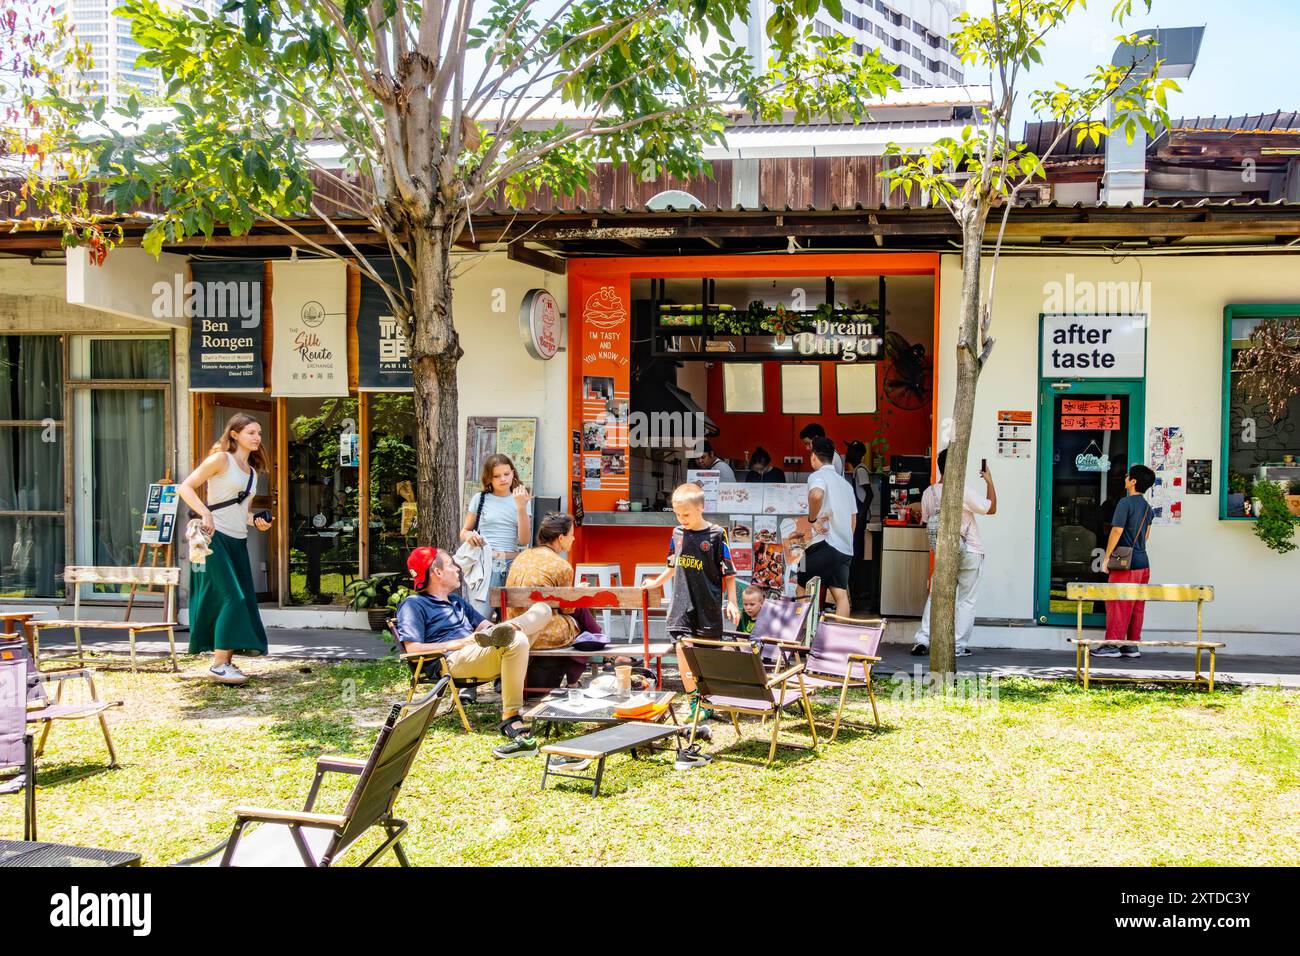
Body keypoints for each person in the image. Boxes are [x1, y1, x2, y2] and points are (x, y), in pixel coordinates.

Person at [395, 546, 552, 759]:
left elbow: (486, 626)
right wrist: (460, 643)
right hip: (451, 661)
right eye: (451, 564)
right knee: (517, 639)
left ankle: (510, 630)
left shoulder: (457, 602)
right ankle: (511, 717)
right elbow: (413, 649)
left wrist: (497, 631)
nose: (457, 568)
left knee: (543, 609)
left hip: (480, 650)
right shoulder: (414, 605)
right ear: (438, 572)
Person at [642, 483, 739, 763]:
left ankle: (706, 699)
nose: (681, 519)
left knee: (705, 656)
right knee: (683, 649)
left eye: (686, 514)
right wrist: (656, 583)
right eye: (677, 514)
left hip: (708, 605)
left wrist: (732, 602)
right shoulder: (677, 534)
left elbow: (728, 573)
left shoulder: (718, 534)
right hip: (681, 605)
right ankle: (694, 699)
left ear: (701, 508)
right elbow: (673, 565)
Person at [178, 413, 272, 685]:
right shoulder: (221, 459)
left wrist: (256, 522)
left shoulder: (252, 473)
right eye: (251, 432)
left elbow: (241, 511)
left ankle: (227, 661)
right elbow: (185, 487)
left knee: (237, 597)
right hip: (214, 538)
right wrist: (204, 513)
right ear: (234, 434)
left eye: (259, 433)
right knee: (233, 598)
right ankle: (219, 664)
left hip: (237, 540)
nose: (257, 438)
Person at [910, 448, 997, 658]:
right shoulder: (962, 490)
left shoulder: (929, 493)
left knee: (936, 595)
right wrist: (989, 481)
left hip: (943, 551)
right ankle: (956, 645)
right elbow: (991, 508)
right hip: (969, 549)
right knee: (966, 600)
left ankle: (922, 639)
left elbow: (928, 522)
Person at [505, 513, 601, 691]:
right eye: (572, 534)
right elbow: (567, 608)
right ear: (561, 537)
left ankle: (597, 636)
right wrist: (575, 593)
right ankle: (574, 680)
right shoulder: (561, 566)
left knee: (580, 612)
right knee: (583, 628)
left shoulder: (522, 557)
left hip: (516, 625)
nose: (573, 538)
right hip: (544, 631)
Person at [1095, 464, 1156, 659]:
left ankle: (1112, 644)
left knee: (1118, 603)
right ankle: (1131, 645)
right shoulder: (1148, 508)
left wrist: (1106, 557)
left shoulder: (1125, 503)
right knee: (1137, 605)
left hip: (1125, 563)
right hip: (1143, 563)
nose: (1125, 478)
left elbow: (1116, 531)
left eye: (1128, 476)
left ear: (1134, 482)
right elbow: (1146, 536)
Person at [461, 453, 531, 618]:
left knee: (515, 621)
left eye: (506, 474)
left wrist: (521, 507)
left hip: (514, 565)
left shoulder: (522, 499)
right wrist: (470, 536)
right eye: (497, 476)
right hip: (487, 563)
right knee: (480, 618)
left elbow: (524, 540)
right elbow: (464, 531)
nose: (503, 479)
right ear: (489, 478)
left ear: (513, 473)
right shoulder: (480, 498)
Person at [799, 436, 858, 619]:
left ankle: (802, 635)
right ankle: (838, 641)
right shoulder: (845, 485)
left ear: (814, 456)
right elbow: (853, 521)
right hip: (845, 549)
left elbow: (816, 495)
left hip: (823, 545)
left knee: (801, 585)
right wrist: (844, 542)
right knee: (840, 596)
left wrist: (811, 518)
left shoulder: (817, 476)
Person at [845, 440, 876, 612]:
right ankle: (855, 594)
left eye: (850, 450)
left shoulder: (861, 470)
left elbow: (869, 494)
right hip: (859, 517)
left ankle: (857, 594)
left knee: (857, 556)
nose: (847, 453)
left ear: (858, 453)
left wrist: (861, 514)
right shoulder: (857, 470)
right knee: (855, 555)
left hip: (861, 518)